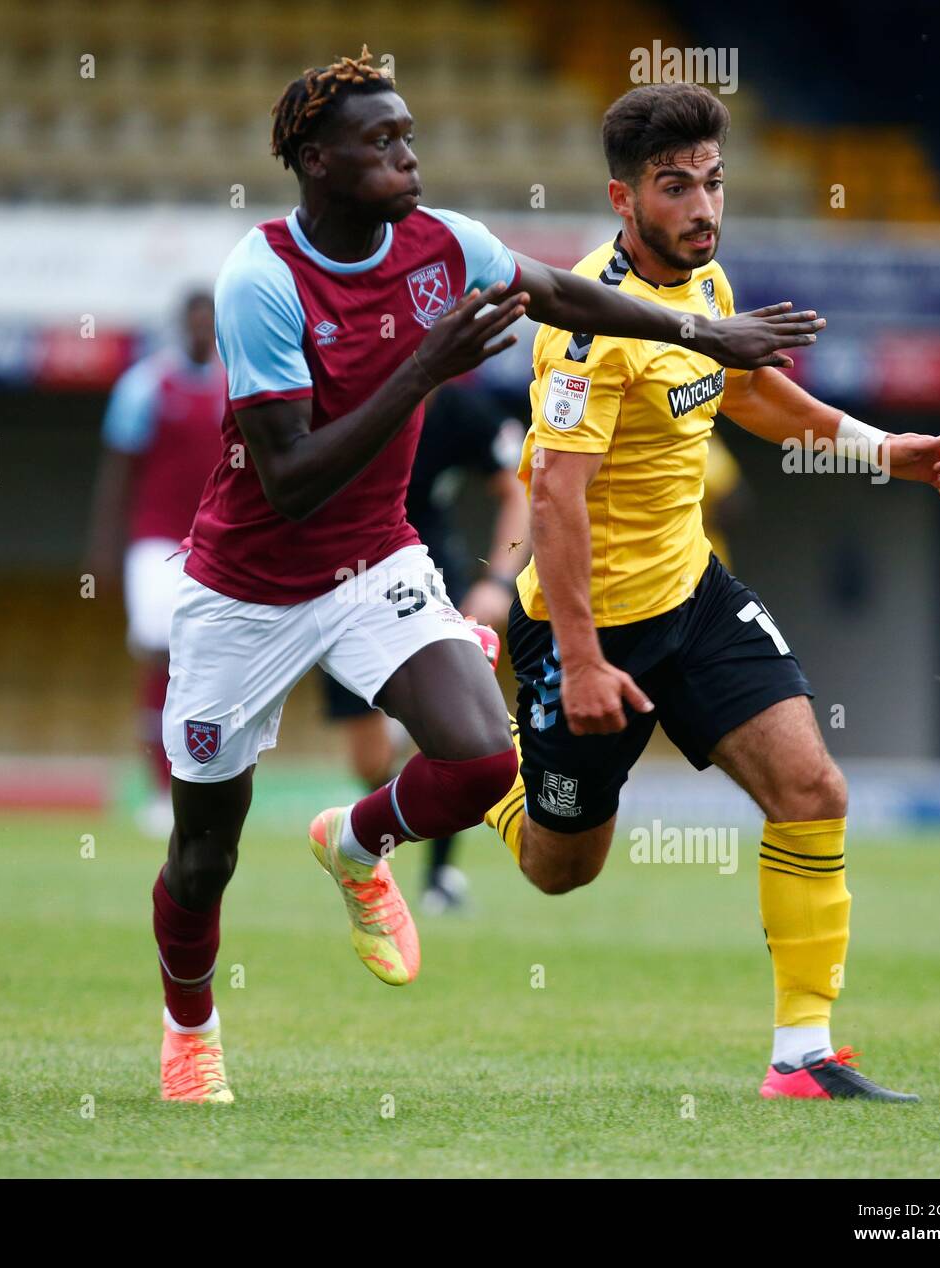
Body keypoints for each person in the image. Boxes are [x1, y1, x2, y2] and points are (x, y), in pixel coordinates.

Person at [152, 48, 822, 1104]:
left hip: (375, 560)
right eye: (383, 142)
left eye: (411, 134)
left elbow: (561, 292)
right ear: (317, 162)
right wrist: (425, 363)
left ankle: (358, 839)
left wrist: (709, 330)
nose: (410, 155)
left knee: (478, 766)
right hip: (246, 587)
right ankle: (188, 1029)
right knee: (203, 854)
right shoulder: (260, 278)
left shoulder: (441, 244)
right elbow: (287, 480)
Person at [482, 82, 940, 1102]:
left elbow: (747, 392)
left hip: (692, 598)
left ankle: (801, 1054)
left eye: (711, 182)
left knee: (811, 791)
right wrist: (576, 659)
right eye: (673, 187)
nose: (701, 207)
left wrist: (882, 448)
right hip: (586, 628)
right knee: (558, 869)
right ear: (623, 199)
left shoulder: (705, 284)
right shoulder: (581, 328)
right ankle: (479, 762)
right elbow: (555, 497)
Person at [321, 380, 530, 913]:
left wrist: (499, 579)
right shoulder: (352, 395)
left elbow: (519, 491)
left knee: (453, 740)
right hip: (346, 583)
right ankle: (369, 841)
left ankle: (439, 876)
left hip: (429, 576)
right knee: (369, 758)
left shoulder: (465, 408)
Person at [84, 292, 224, 837]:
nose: (200, 333)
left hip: (213, 543)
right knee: (160, 653)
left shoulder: (233, 385)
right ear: (179, 326)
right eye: (193, 323)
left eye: (208, 325)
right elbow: (118, 470)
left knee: (206, 664)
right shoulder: (145, 386)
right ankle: (160, 788)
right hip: (155, 540)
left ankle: (204, 786)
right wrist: (103, 547)